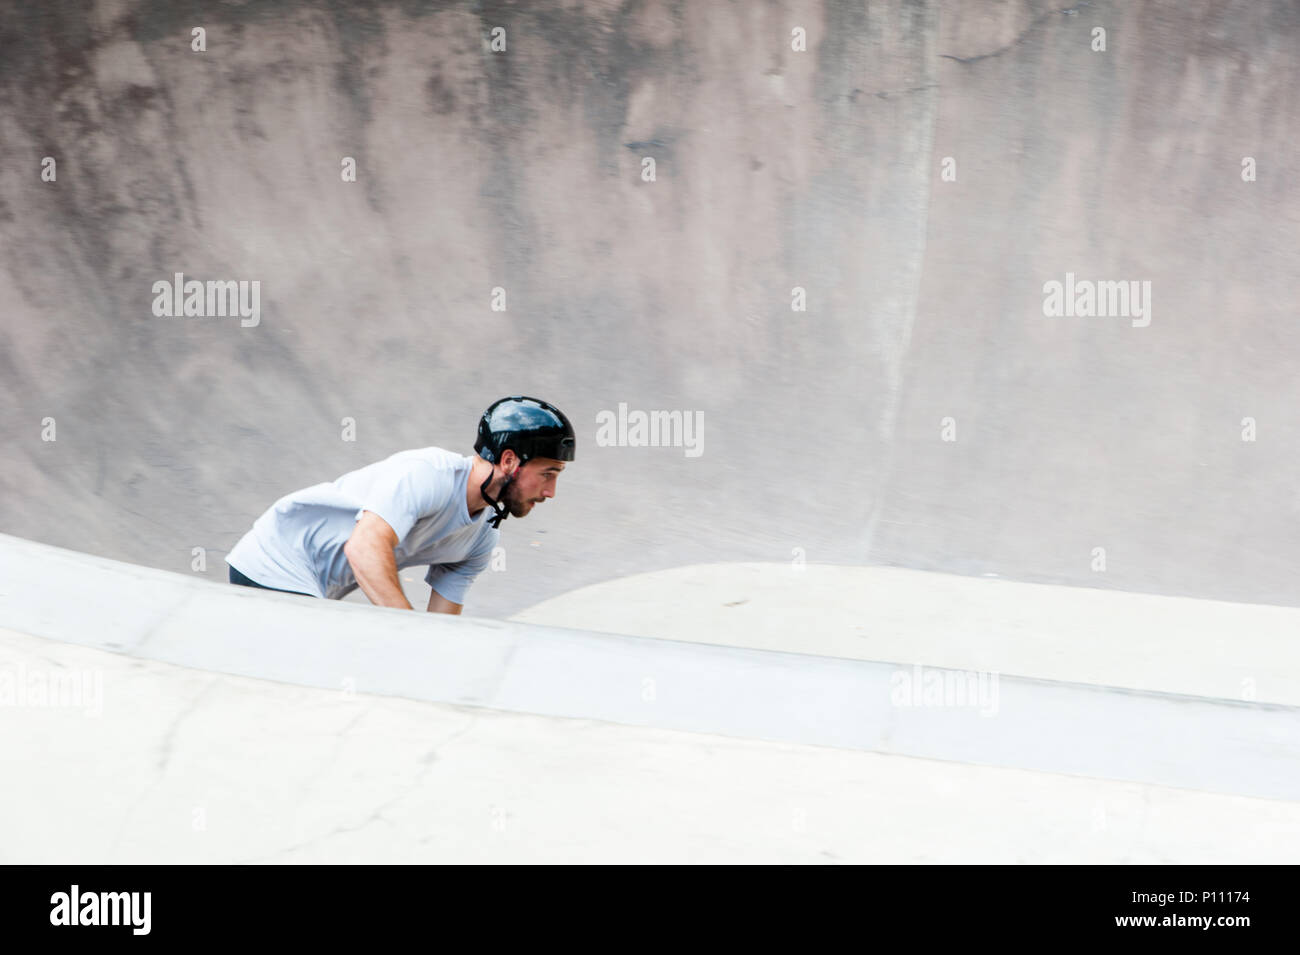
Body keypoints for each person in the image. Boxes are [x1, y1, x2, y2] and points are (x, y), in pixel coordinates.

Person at [225, 396, 574, 614]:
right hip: (275, 558)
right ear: (510, 461)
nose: (551, 492)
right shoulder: (428, 475)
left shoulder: (481, 540)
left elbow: (440, 627)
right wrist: (408, 637)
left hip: (313, 590)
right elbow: (363, 549)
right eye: (548, 473)